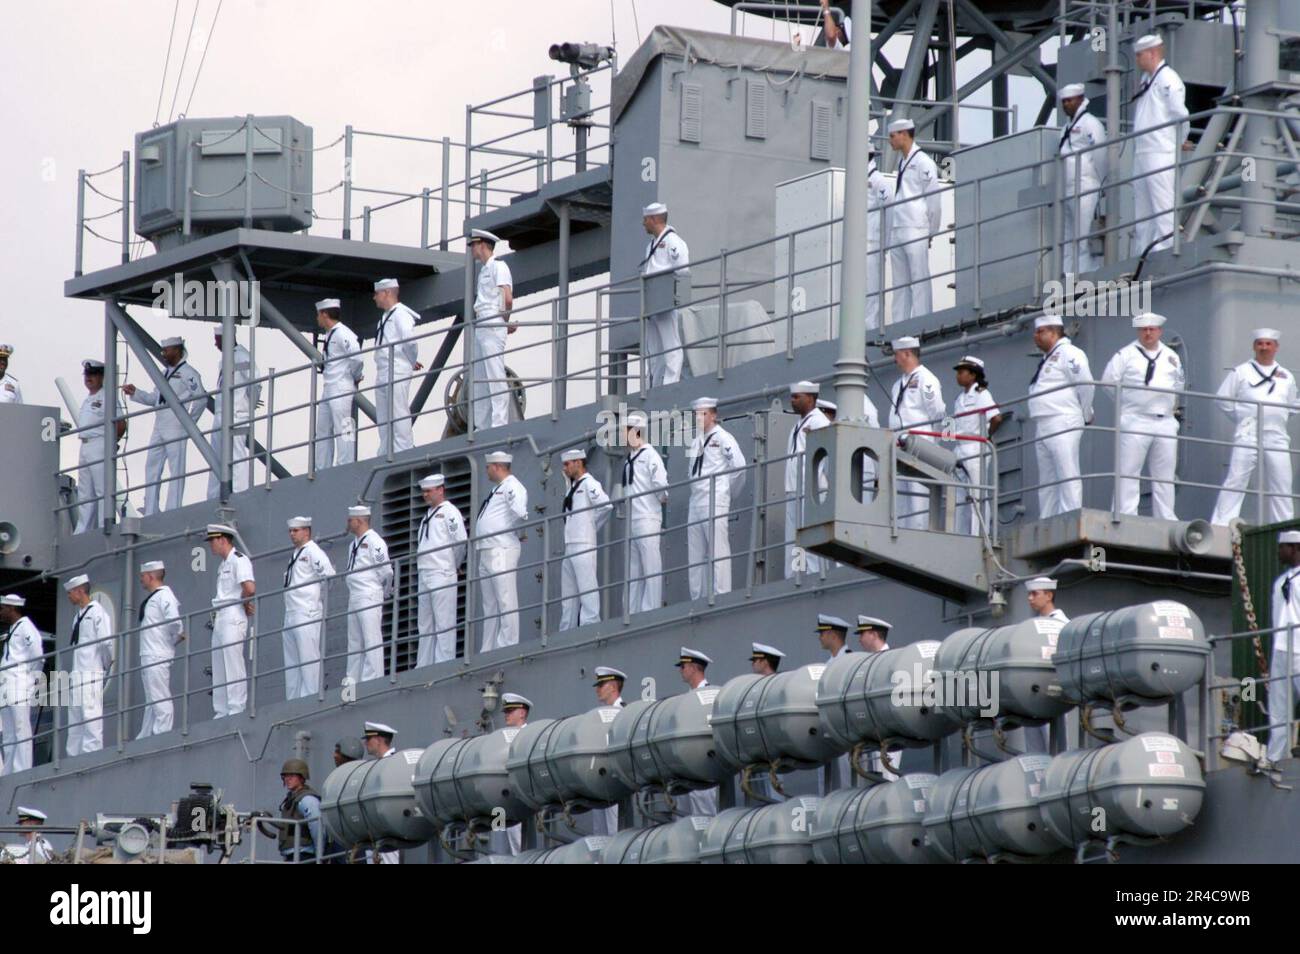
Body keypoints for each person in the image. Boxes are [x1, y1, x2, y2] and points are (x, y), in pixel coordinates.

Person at [1101, 312, 1185, 520]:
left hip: (1164, 420)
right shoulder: (1125, 355)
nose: (1148, 333)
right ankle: (1125, 513)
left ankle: (1165, 516)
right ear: (1138, 331)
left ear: (1159, 331)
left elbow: (1178, 385)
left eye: (1152, 329)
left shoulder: (1171, 357)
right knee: (1129, 471)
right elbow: (1108, 382)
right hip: (1136, 419)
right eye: (1144, 330)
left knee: (1164, 475)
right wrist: (1129, 404)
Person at [1210, 329, 1297, 526]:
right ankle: (1222, 524)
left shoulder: (1286, 376)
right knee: (1236, 478)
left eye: (1268, 344)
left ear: (1276, 347)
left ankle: (1285, 528)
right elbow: (1223, 399)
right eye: (1260, 344)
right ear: (1254, 346)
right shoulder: (1241, 372)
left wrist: (1277, 416)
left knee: (1281, 482)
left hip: (1276, 434)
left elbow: (1290, 405)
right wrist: (1242, 417)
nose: (1264, 348)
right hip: (1248, 433)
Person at [122, 335, 205, 514]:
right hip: (159, 423)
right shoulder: (164, 372)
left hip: (176, 424)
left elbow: (200, 399)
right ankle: (151, 508)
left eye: (166, 350)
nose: (164, 354)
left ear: (177, 350)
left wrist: (189, 422)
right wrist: (136, 393)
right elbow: (155, 399)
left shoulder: (189, 373)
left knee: (176, 469)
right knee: (152, 465)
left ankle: (173, 508)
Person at [1027, 314, 1094, 517]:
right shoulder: (1048, 358)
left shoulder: (1069, 353)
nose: (1035, 336)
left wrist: (1086, 413)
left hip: (1063, 419)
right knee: (1047, 478)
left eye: (1040, 332)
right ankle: (1047, 518)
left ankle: (1070, 515)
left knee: (1066, 472)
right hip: (1044, 422)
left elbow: (1086, 384)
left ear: (1054, 332)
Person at [1130, 34, 1188, 254]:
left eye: (1139, 55)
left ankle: (1165, 248)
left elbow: (1180, 114)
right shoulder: (1148, 79)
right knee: (1143, 210)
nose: (1137, 60)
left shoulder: (1168, 79)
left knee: (1162, 206)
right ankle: (1143, 253)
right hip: (1143, 151)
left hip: (1160, 150)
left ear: (1152, 53)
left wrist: (1179, 141)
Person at [686, 397, 746, 599]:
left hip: (714, 498)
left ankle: (721, 594)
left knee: (717, 550)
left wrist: (725, 492)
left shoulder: (723, 438)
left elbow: (738, 467)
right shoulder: (696, 442)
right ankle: (698, 596)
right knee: (695, 554)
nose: (698, 418)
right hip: (696, 500)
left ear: (713, 415)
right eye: (696, 414)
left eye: (702, 414)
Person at [887, 118, 941, 323]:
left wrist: (931, 231)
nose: (890, 141)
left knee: (919, 277)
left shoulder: (923, 162)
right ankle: (900, 322)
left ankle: (922, 321)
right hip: (899, 226)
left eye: (893, 136)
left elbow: (933, 199)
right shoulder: (903, 161)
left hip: (915, 226)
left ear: (903, 134)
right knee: (900, 282)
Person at [888, 336, 945, 528]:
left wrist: (931, 441)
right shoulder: (898, 384)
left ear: (907, 354)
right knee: (902, 497)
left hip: (919, 444)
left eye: (896, 355)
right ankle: (902, 534)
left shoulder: (926, 379)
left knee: (919, 495)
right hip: (899, 446)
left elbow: (937, 411)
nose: (894, 360)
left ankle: (919, 534)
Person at [475, 451, 529, 651]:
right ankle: (488, 647)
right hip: (487, 549)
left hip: (501, 549)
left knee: (505, 599)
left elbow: (520, 513)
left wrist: (516, 532)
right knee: (490, 605)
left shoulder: (513, 486)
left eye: (488, 467)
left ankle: (507, 644)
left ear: (497, 466)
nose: (486, 470)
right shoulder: (498, 488)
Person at [1056, 84, 1108, 276]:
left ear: (1080, 99)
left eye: (1069, 101)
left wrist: (1101, 183)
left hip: (1086, 185)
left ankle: (1085, 274)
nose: (1066, 105)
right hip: (1069, 188)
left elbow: (1101, 153)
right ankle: (1069, 275)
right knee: (1069, 237)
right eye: (1064, 102)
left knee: (1083, 235)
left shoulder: (1090, 123)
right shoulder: (1066, 128)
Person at [281, 516, 335, 700]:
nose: (292, 534)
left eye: (296, 531)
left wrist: (313, 600)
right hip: (291, 612)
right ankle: (294, 698)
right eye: (290, 531)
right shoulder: (296, 553)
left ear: (306, 531)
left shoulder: (312, 551)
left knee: (308, 657)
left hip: (306, 611)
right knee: (292, 662)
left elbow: (328, 575)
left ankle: (310, 695)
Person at [620, 410, 668, 614]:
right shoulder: (628, 459)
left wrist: (656, 503)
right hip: (633, 519)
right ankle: (631, 611)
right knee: (633, 571)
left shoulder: (650, 455)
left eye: (625, 430)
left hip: (647, 517)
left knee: (650, 567)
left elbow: (661, 487)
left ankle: (651, 609)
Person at [416, 474, 467, 667]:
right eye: (424, 492)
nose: (426, 495)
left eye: (429, 491)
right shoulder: (427, 516)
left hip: (442, 572)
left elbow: (460, 542)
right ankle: (424, 664)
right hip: (425, 573)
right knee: (425, 624)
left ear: (440, 490)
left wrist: (453, 565)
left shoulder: (449, 512)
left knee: (444, 622)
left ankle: (443, 663)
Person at [559, 449, 611, 630]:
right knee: (568, 593)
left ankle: (590, 623)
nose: (564, 469)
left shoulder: (589, 483)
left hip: (583, 543)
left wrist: (591, 526)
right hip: (570, 544)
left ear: (577, 463)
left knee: (587, 586)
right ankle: (567, 627)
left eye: (567, 464)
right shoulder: (572, 487)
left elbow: (605, 505)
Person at [638, 203, 690, 387]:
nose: (643, 223)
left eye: (646, 219)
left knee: (671, 343)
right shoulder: (651, 245)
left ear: (654, 219)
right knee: (653, 348)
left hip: (664, 298)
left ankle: (670, 382)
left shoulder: (674, 242)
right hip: (652, 299)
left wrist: (666, 285)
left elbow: (683, 270)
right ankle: (654, 384)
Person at [951, 356, 1003, 535]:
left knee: (977, 493)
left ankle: (978, 534)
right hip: (960, 447)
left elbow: (996, 418)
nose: (958, 375)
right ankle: (961, 533)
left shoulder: (982, 394)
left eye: (962, 371)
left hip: (975, 446)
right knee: (960, 495)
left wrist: (986, 436)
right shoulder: (960, 398)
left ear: (973, 375)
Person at [63, 574, 115, 756]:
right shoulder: (78, 616)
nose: (69, 596)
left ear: (80, 591)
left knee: (91, 716)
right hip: (78, 673)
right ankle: (74, 756)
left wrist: (107, 663)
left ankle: (90, 755)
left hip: (91, 672)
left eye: (70, 592)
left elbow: (106, 642)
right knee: (75, 719)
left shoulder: (96, 612)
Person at [207, 524, 255, 717]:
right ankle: (221, 710)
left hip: (233, 615)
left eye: (212, 540)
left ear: (223, 539)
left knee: (233, 663)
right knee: (219, 665)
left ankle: (236, 708)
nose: (210, 545)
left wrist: (243, 602)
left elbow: (250, 588)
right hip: (221, 616)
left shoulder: (239, 560)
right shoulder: (224, 564)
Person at [371, 278, 422, 455]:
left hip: (396, 367)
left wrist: (410, 359)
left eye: (377, 293)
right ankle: (386, 449)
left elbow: (409, 340)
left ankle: (403, 448)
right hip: (383, 369)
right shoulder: (385, 317)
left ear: (387, 293)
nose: (374, 297)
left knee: (398, 409)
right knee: (384, 415)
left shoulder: (400, 314)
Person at [206, 329, 260, 499]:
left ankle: (239, 494)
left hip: (236, 414)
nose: (215, 344)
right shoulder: (224, 359)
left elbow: (255, 384)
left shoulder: (242, 356)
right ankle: (214, 495)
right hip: (221, 414)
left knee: (237, 457)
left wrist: (248, 406)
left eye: (218, 340)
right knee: (216, 458)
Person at [75, 358, 126, 533]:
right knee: (85, 492)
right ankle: (84, 529)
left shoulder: (107, 396)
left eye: (93, 374)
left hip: (99, 444)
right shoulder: (88, 399)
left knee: (101, 489)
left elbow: (120, 424)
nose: (89, 378)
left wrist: (112, 444)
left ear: (101, 376)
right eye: (87, 374)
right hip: (85, 445)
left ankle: (105, 525)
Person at [785, 381, 830, 577]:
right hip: (794, 489)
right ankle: (796, 575)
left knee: (810, 535)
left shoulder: (819, 422)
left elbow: (828, 456)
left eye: (797, 397)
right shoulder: (797, 425)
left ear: (810, 398)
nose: (792, 401)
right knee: (794, 538)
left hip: (810, 488)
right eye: (792, 397)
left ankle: (813, 574)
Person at [344, 505, 392, 685]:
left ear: (360, 520)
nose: (348, 523)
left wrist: (384, 592)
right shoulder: (353, 544)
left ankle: (372, 679)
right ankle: (352, 682)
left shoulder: (374, 541)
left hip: (369, 593)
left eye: (350, 520)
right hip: (354, 595)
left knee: (371, 638)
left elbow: (386, 571)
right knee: (354, 642)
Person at [313, 298, 363, 468]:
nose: (317, 318)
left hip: (341, 385)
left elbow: (356, 357)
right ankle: (322, 466)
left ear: (324, 314)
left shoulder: (342, 333)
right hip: (329, 387)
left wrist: (354, 376)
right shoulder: (330, 334)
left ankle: (345, 463)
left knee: (344, 426)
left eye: (318, 314)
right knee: (323, 430)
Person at [136, 560, 183, 739]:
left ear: (151, 576)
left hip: (157, 654)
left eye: (143, 576)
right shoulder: (154, 597)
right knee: (151, 699)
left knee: (160, 697)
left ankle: (162, 733)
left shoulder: (164, 596)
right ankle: (146, 734)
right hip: (149, 653)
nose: (141, 579)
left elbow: (175, 623)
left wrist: (169, 642)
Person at [1267, 530, 1300, 763]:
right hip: (1280, 649)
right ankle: (1276, 757)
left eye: (1283, 547)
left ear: (1295, 549)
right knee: (1278, 709)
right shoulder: (1281, 581)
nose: (1279, 552)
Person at [0, 594, 41, 775]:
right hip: (6, 685)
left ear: (12, 608)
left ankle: (22, 769)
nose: (1, 612)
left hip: (19, 683)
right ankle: (9, 771)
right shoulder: (13, 629)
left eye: (3, 608)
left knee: (20, 729)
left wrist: (30, 679)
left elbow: (37, 655)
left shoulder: (26, 627)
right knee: (8, 733)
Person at [854, 616, 900, 777]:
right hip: (872, 730)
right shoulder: (867, 662)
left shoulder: (892, 660)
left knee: (888, 777)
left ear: (873, 634)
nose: (859, 640)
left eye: (862, 634)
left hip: (889, 729)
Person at [676, 648, 718, 816]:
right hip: (687, 769)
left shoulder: (712, 695)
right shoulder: (686, 699)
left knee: (705, 815)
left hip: (705, 765)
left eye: (683, 666)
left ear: (693, 668)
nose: (681, 670)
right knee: (685, 820)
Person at [361, 722, 400, 863]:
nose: (366, 743)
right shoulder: (378, 765)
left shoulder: (394, 763)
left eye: (368, 739)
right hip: (376, 829)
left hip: (389, 827)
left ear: (378, 740)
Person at [272, 758, 322, 862]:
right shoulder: (291, 799)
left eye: (292, 775)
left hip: (304, 854)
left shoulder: (307, 799)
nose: (287, 779)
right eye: (285, 776)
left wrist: (319, 854)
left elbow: (317, 826)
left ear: (302, 777)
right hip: (291, 855)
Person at [866, 148, 891, 329]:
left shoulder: (879, 182)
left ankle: (871, 328)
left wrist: (884, 244)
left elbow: (889, 213)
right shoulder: (858, 179)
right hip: (859, 243)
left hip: (872, 242)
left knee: (872, 289)